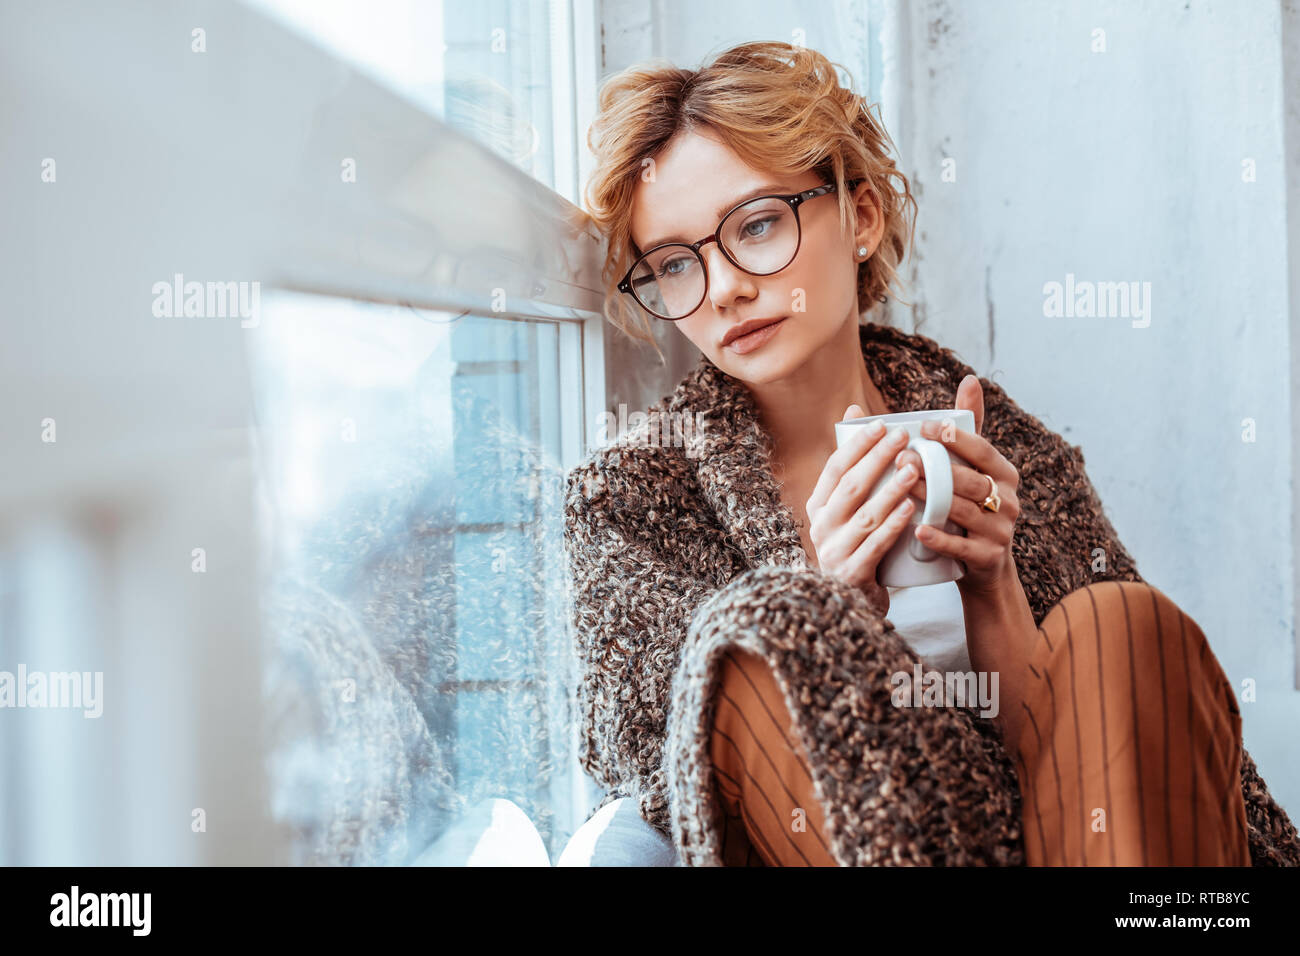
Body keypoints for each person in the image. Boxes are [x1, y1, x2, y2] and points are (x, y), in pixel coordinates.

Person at [564, 40, 1300, 865]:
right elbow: (672, 785)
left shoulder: (1017, 453)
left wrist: (994, 588)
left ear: (862, 215)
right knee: (752, 638)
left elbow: (1097, 764)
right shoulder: (628, 502)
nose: (726, 287)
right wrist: (830, 612)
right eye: (675, 264)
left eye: (758, 225)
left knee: (1120, 623)